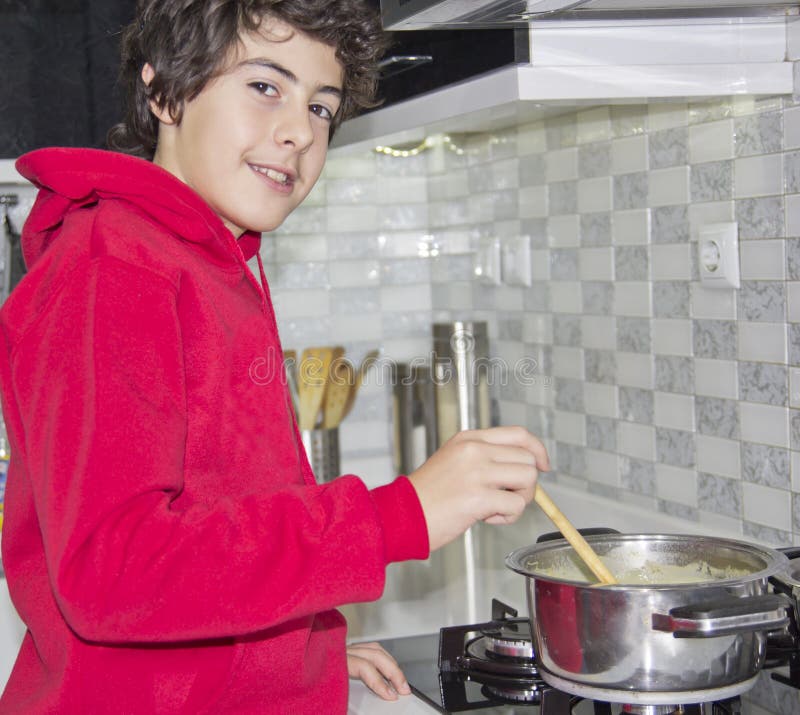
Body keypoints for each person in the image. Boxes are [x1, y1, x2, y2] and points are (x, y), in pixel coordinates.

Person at [0, 0, 550, 712]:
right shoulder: (116, 267)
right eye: (266, 86)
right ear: (165, 91)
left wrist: (290, 653)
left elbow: (212, 516)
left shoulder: (200, 259)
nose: (298, 131)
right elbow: (116, 571)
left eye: (321, 107)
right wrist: (398, 515)